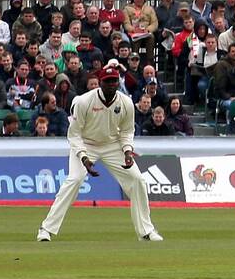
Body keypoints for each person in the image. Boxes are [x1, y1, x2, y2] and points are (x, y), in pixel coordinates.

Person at [36, 60, 162, 242]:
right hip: (86, 144)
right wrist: (84, 157)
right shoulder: (84, 101)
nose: (111, 85)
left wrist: (127, 151)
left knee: (137, 180)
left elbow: (127, 131)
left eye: (114, 81)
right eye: (107, 81)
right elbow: (74, 135)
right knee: (75, 180)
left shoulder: (125, 102)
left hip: (113, 146)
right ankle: (46, 229)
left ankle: (146, 231)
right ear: (100, 83)